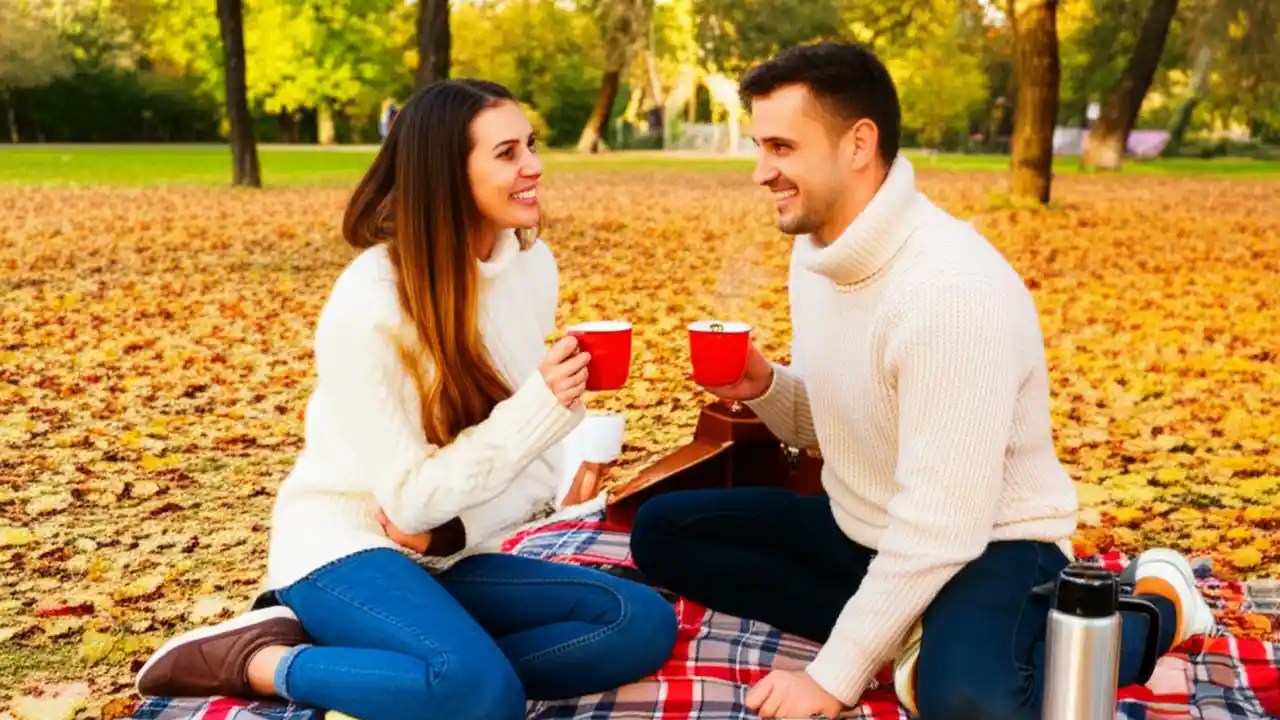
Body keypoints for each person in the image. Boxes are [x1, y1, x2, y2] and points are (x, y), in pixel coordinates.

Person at [628, 42, 1215, 720]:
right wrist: (764, 386)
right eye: (761, 146)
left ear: (858, 144)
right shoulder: (818, 251)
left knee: (969, 703)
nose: (762, 171)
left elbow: (942, 527)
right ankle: (914, 631)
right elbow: (846, 424)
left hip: (992, 542)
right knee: (666, 533)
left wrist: (831, 677)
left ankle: (1156, 610)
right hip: (864, 526)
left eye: (782, 148)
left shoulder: (949, 292)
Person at [134, 79, 677, 720]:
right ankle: (258, 660)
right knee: (482, 697)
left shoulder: (532, 267)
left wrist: (473, 516)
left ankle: (412, 664)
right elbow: (409, 500)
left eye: (530, 145)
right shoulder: (371, 303)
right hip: (345, 544)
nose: (533, 165)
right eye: (507, 153)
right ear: (448, 171)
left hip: (450, 550)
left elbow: (467, 492)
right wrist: (540, 409)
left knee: (638, 621)